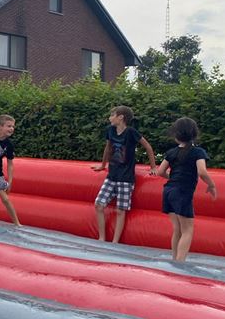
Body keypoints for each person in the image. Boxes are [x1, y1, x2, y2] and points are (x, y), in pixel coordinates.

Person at [91, 105, 157, 243]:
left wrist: (153, 167)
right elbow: (108, 148)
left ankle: (115, 242)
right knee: (99, 204)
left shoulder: (131, 132)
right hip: (112, 175)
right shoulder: (110, 131)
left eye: (112, 115)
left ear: (121, 117)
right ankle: (101, 237)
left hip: (126, 178)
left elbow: (148, 147)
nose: (110, 118)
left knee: (121, 210)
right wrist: (103, 165)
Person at [157, 117, 217, 262]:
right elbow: (202, 172)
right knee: (187, 230)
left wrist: (173, 178)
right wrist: (211, 185)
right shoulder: (198, 152)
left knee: (177, 229)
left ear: (176, 135)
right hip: (182, 192)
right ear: (194, 134)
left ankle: (174, 260)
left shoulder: (171, 152)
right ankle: (180, 264)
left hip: (169, 191)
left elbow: (160, 172)